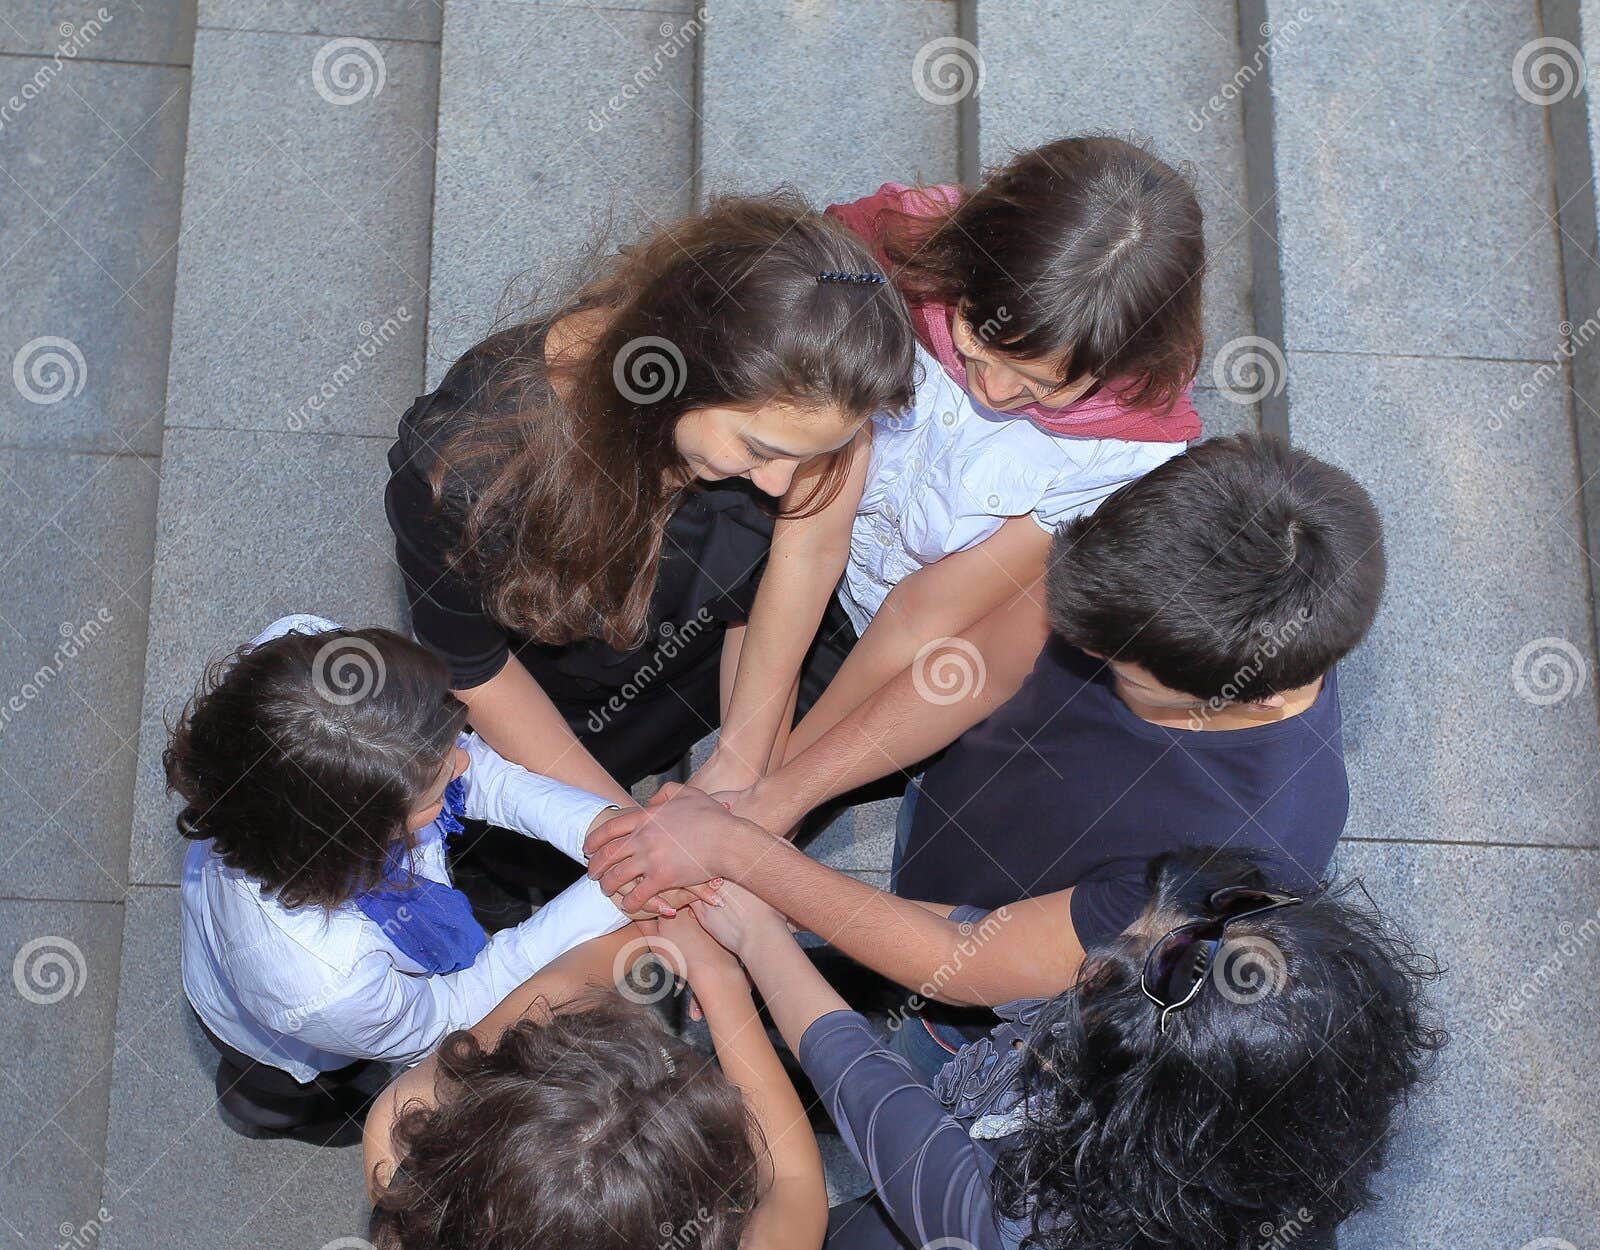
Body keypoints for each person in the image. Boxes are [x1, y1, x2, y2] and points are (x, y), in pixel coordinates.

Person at [583, 434, 1386, 1070]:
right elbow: (976, 674)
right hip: (960, 828)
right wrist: (778, 800)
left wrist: (743, 854)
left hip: (974, 1004)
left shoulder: (1245, 860)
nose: (1086, 656)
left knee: (890, 1053)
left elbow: (968, 958)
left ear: (1259, 695)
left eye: (1121, 670)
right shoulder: (1157, 568)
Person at [688, 863, 1441, 1250]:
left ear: (1162, 1104)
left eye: (1128, 970)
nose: (1092, 961)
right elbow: (982, 945)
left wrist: (758, 943)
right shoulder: (1201, 1095)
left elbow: (879, 1106)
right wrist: (795, 893)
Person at [384, 193, 917, 831]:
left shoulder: (816, 382)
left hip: (729, 648)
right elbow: (478, 670)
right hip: (564, 690)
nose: (781, 486)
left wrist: (741, 762)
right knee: (513, 850)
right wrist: (615, 828)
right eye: (759, 450)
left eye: (814, 455)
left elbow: (802, 557)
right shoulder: (471, 469)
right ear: (687, 370)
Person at [697, 136, 1205, 794]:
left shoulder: (1128, 446)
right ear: (967, 269)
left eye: (1040, 386)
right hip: (788, 539)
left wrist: (774, 797)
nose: (993, 391)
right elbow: (811, 532)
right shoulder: (889, 268)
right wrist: (740, 762)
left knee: (791, 791)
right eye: (976, 346)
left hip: (891, 650)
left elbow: (921, 616)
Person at [166, 615, 627, 1133]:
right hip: (279, 1030)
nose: (462, 760)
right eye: (429, 796)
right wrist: (609, 895)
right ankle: (266, 1109)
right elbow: (453, 1011)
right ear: (361, 839)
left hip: (307, 971)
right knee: (285, 1084)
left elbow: (472, 772)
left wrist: (601, 828)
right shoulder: (328, 982)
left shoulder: (317, 670)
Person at [366, 915, 827, 1250]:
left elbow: (563, 986)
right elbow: (794, 1184)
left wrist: (656, 923)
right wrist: (720, 978)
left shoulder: (401, 1127)